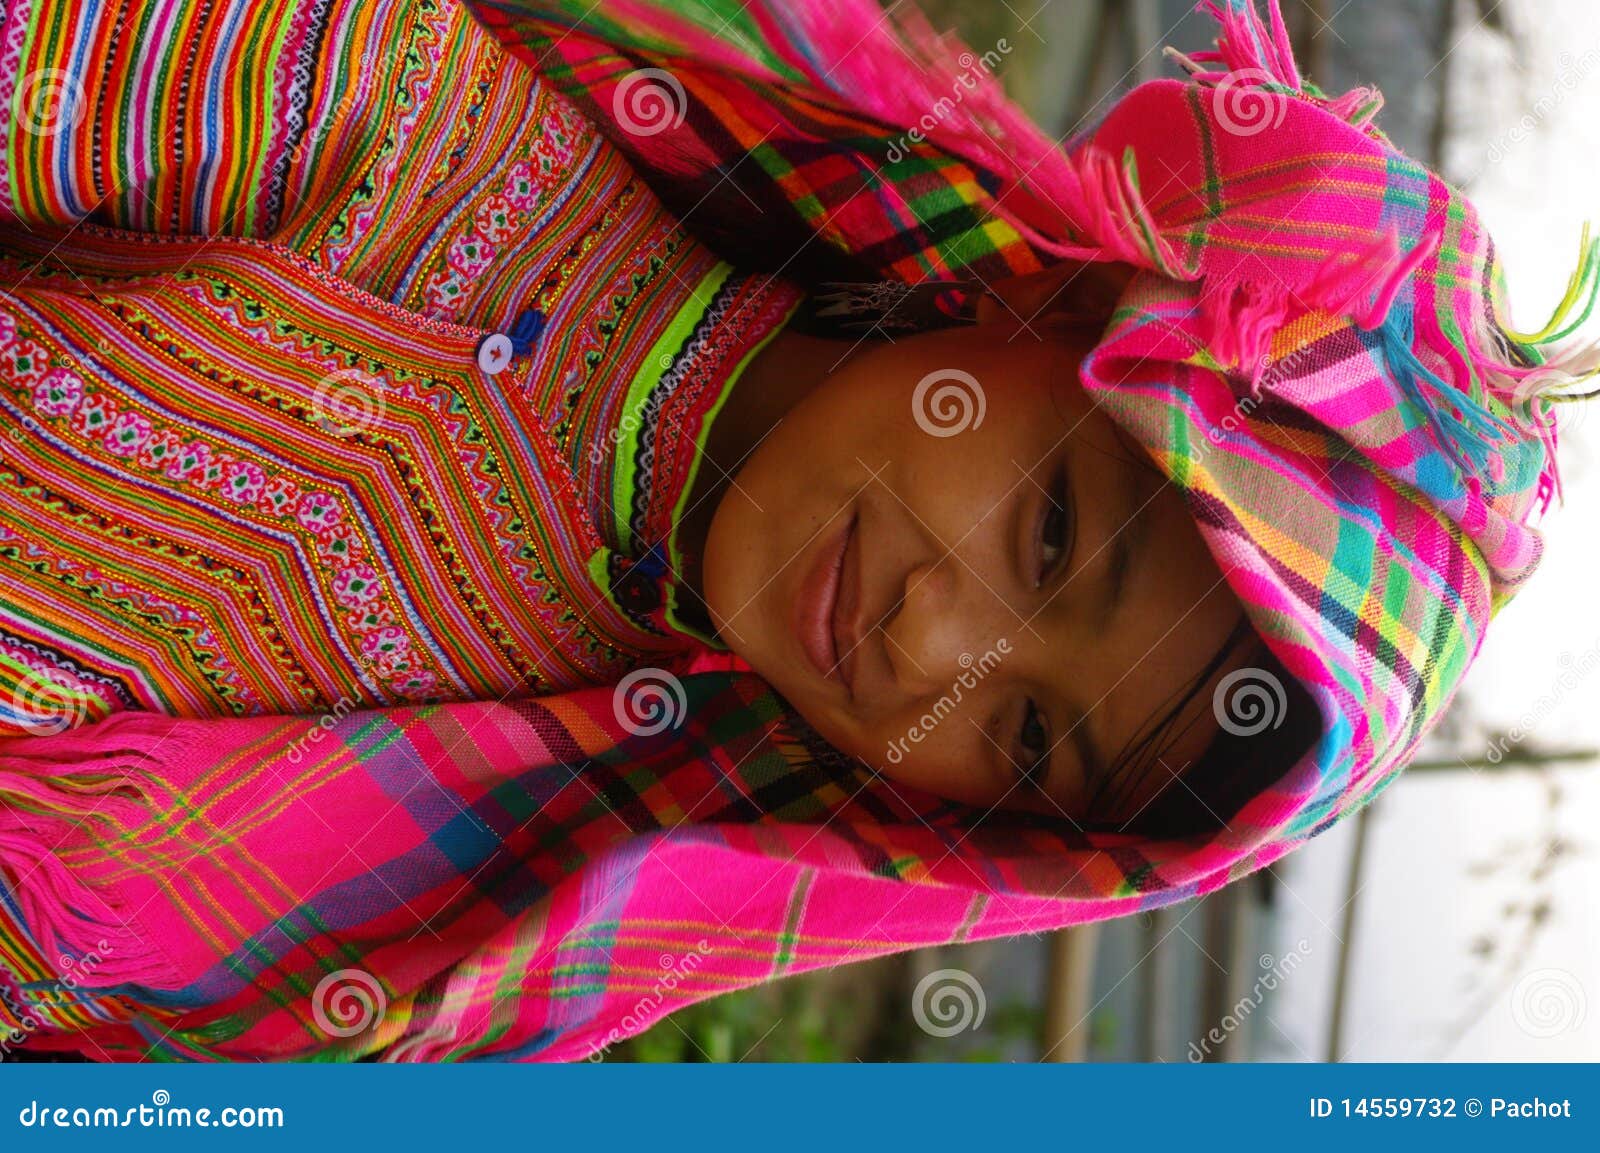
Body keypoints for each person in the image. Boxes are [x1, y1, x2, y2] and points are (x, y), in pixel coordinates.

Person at [0, 0, 1591, 1060]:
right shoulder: (419, 124)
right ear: (1043, 307)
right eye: (1047, 534)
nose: (934, 648)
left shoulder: (469, 896)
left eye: (1032, 743)